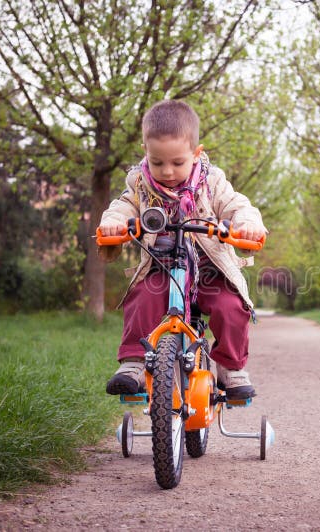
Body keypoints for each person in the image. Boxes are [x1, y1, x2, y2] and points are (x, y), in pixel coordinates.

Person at [97, 100, 266, 400]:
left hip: (209, 270)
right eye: (157, 162)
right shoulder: (140, 184)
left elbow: (238, 205)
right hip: (161, 267)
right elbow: (121, 207)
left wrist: (246, 224)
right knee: (142, 298)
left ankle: (230, 367)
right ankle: (134, 362)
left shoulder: (211, 182)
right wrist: (113, 224)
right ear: (145, 152)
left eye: (177, 162)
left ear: (196, 154)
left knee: (231, 308)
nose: (167, 171)